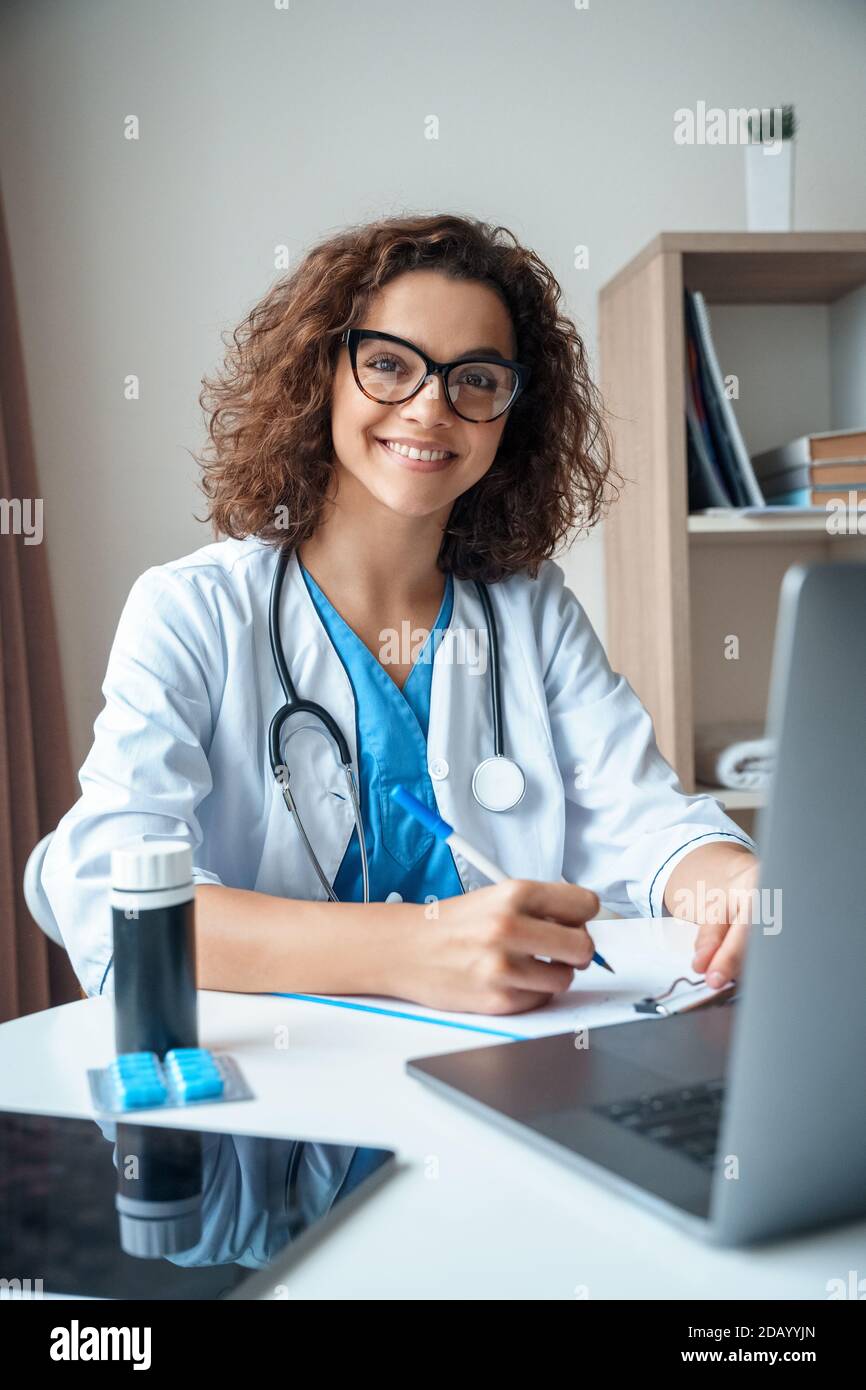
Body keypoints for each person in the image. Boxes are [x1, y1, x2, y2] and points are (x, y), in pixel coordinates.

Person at [43, 212, 758, 1012]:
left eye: (477, 378)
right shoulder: (192, 611)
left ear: (511, 415)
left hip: (509, 1084)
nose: (430, 407)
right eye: (389, 364)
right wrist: (420, 948)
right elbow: (122, 897)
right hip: (282, 1100)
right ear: (323, 375)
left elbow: (648, 820)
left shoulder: (533, 613)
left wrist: (728, 878)